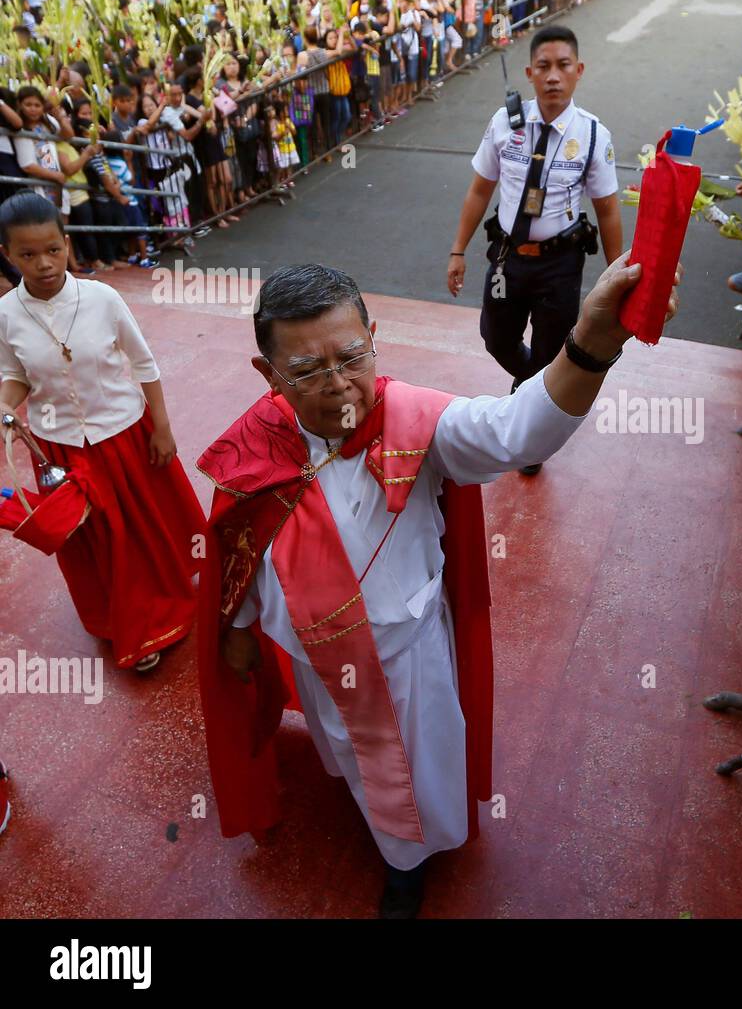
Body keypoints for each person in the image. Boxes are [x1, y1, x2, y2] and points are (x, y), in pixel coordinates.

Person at [196, 255, 677, 919]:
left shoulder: (417, 422)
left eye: (351, 356)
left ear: (374, 334)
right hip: (312, 656)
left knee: (415, 775)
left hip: (404, 656)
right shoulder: (256, 445)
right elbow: (242, 547)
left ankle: (406, 865)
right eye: (307, 370)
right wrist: (242, 627)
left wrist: (589, 345)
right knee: (344, 746)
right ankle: (375, 818)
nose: (338, 386)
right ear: (268, 374)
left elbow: (518, 430)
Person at [0, 193, 205, 672]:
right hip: (60, 447)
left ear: (67, 243)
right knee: (101, 538)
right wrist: (6, 406)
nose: (44, 263)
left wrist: (161, 427)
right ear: (8, 255)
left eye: (52, 249)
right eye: (27, 255)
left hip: (124, 433)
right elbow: (16, 374)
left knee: (143, 527)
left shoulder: (102, 297)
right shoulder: (7, 313)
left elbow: (144, 363)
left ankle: (159, 605)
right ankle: (131, 622)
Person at [446, 24, 622, 474]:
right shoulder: (505, 123)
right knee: (496, 337)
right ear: (529, 72)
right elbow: (479, 190)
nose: (553, 76)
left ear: (579, 71)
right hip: (507, 258)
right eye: (543, 66)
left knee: (549, 352)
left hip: (561, 265)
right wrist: (458, 250)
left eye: (563, 66)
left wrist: (617, 274)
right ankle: (531, 389)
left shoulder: (592, 134)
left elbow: (607, 210)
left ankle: (528, 440)